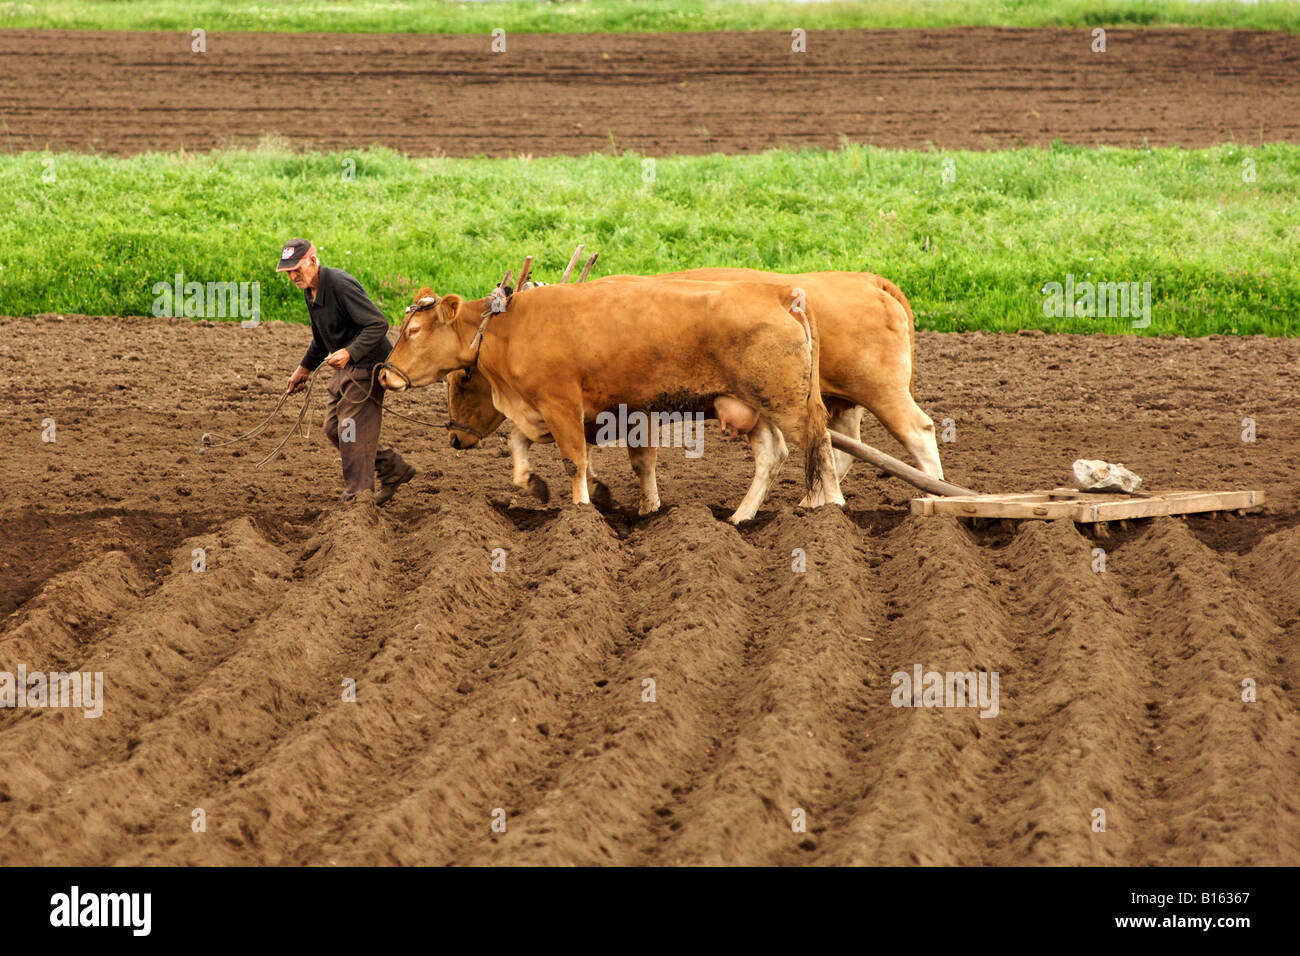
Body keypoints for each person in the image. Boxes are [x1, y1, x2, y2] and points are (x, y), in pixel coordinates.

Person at [278, 238, 416, 505]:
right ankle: (392, 467)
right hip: (346, 370)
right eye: (288, 271)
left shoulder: (340, 285)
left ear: (313, 261)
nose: (293, 276)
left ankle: (359, 497)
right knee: (334, 428)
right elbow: (320, 340)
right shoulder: (310, 291)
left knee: (349, 430)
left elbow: (378, 324)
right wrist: (302, 371)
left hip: (367, 367)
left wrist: (350, 352)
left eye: (297, 268)